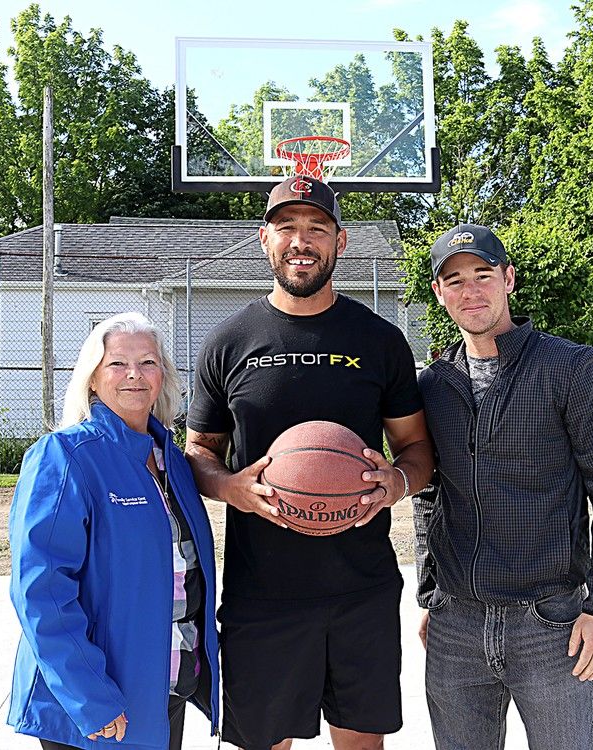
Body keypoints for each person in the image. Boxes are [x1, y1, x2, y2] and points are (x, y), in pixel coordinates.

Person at [185, 175, 434, 750]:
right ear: (265, 241)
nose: (302, 241)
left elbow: (418, 450)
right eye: (287, 228)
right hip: (262, 592)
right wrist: (232, 489)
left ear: (340, 243)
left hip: (361, 589)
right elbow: (199, 453)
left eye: (316, 229)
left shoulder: (379, 341)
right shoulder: (229, 340)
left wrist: (398, 481)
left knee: (361, 744)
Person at [414, 223, 593, 749]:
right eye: (454, 280)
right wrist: (431, 594)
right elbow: (431, 495)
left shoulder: (571, 367)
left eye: (483, 275)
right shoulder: (432, 385)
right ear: (438, 291)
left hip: (551, 624)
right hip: (457, 627)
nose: (470, 292)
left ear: (508, 279)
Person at [7, 312, 219, 750]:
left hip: (163, 686)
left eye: (148, 362)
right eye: (117, 364)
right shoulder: (65, 456)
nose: (134, 376)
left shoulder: (171, 462)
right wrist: (90, 697)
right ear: (91, 378)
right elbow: (41, 591)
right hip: (99, 699)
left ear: (164, 376)